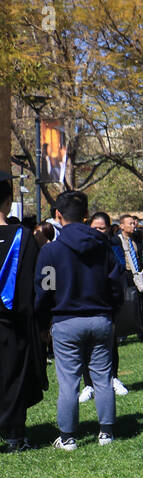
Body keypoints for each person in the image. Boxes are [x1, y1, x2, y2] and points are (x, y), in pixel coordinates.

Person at [33, 190, 123, 451]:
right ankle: (106, 433)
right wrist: (112, 312)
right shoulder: (103, 245)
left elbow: (45, 289)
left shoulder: (51, 252)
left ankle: (69, 437)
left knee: (69, 382)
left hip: (66, 322)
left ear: (58, 215)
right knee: (103, 378)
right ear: (86, 215)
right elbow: (115, 281)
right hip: (101, 319)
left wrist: (43, 322)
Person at [0, 173, 47, 453]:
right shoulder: (24, 237)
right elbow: (39, 281)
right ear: (8, 202)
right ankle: (15, 435)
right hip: (13, 323)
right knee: (13, 376)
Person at [78, 213, 130, 402]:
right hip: (85, 301)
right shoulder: (81, 246)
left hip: (107, 302)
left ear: (109, 228)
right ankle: (88, 385)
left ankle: (113, 378)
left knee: (110, 343)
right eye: (95, 227)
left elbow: (121, 268)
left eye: (102, 228)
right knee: (86, 345)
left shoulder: (113, 245)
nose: (99, 231)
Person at [111, 214, 143, 343]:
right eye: (130, 223)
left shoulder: (136, 240)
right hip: (124, 275)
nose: (134, 226)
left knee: (139, 303)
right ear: (122, 226)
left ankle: (142, 332)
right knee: (125, 304)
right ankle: (122, 333)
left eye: (134, 223)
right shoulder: (116, 240)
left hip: (137, 275)